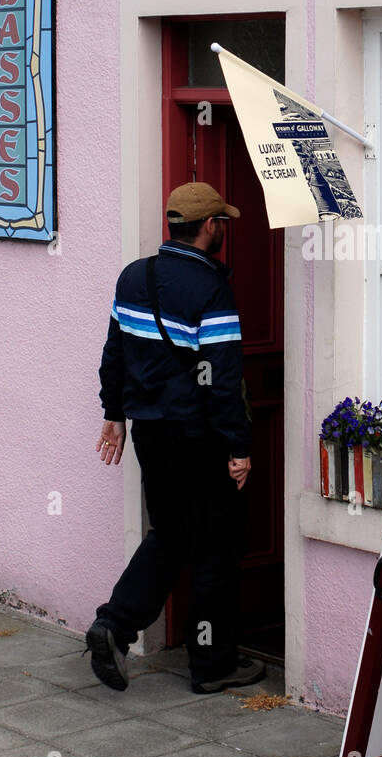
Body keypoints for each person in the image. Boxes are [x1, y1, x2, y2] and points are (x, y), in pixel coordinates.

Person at [86, 182, 265, 696]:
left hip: (151, 435)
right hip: (200, 436)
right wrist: (238, 446)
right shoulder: (211, 290)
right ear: (210, 226)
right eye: (222, 222)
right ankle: (212, 665)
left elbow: (113, 353)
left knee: (170, 533)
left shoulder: (133, 276)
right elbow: (223, 377)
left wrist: (115, 413)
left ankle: (114, 626)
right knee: (215, 545)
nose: (224, 229)